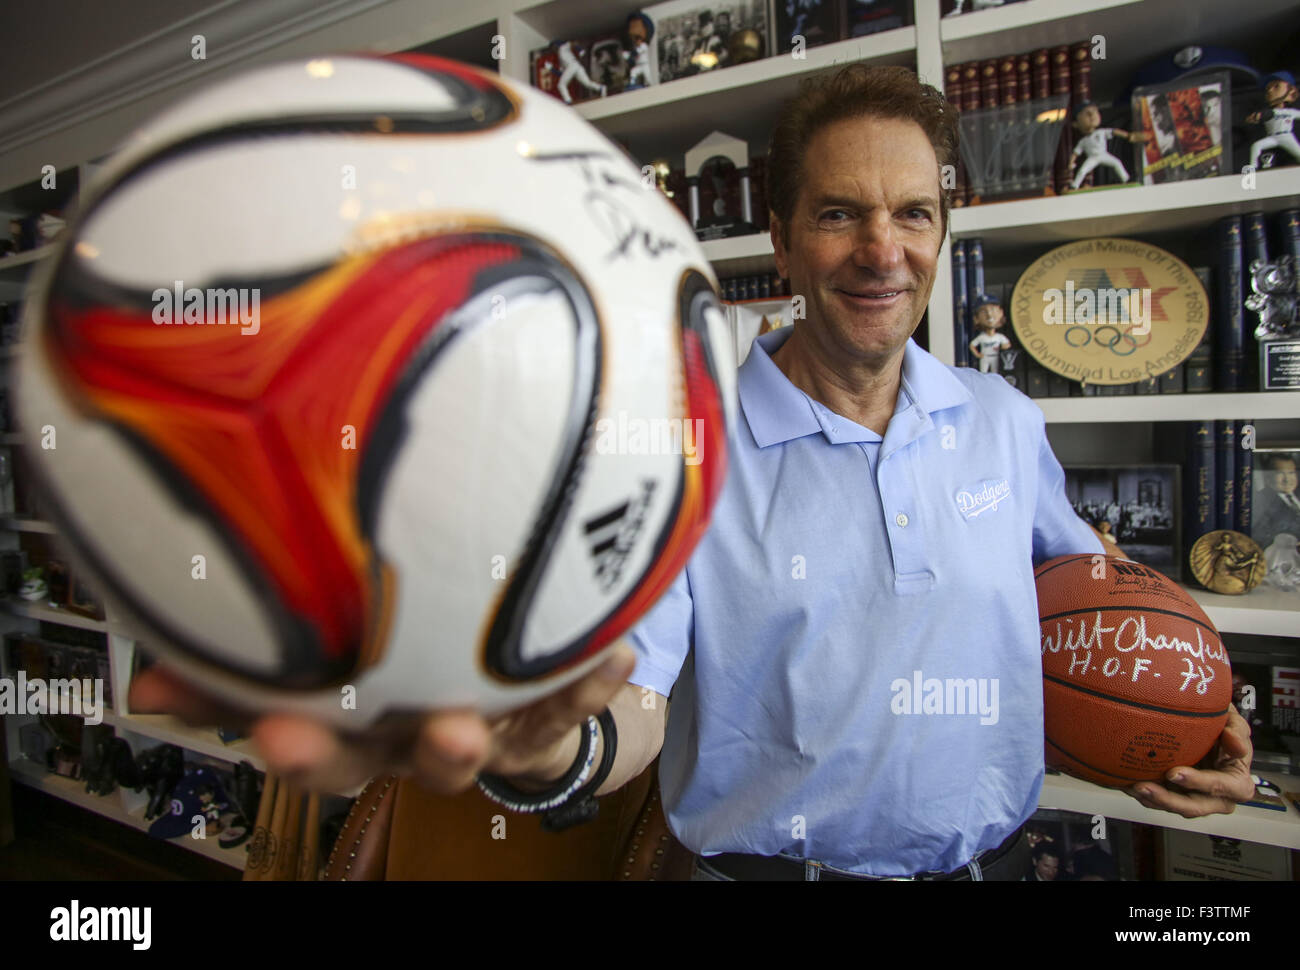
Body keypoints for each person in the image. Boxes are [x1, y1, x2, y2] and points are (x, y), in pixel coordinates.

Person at [131, 64, 1255, 880]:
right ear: (781, 241)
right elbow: (637, 697)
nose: (882, 249)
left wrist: (1194, 726)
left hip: (992, 868)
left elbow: (1091, 618)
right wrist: (547, 752)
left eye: (913, 213)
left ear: (942, 228)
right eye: (838, 215)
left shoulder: (1004, 423)